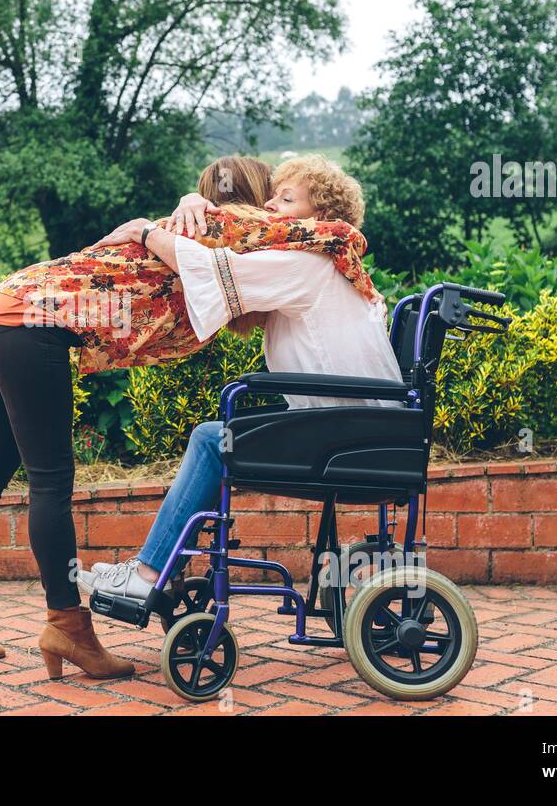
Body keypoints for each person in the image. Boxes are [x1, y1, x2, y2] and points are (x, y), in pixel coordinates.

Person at [0, 155, 381, 680]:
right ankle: (66, 627)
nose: (276, 212)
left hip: (7, 307)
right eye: (272, 199)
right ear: (253, 203)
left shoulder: (206, 234)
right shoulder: (224, 235)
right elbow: (258, 247)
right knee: (50, 480)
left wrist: (182, 209)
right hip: (34, 324)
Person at [78, 155, 403, 604]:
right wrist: (193, 201)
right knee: (221, 436)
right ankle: (161, 567)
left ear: (321, 217)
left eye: (286, 199)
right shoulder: (328, 264)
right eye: (272, 194)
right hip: (361, 433)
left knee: (214, 440)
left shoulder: (308, 263)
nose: (270, 206)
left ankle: (148, 573)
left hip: (345, 439)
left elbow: (220, 270)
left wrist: (146, 233)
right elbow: (234, 244)